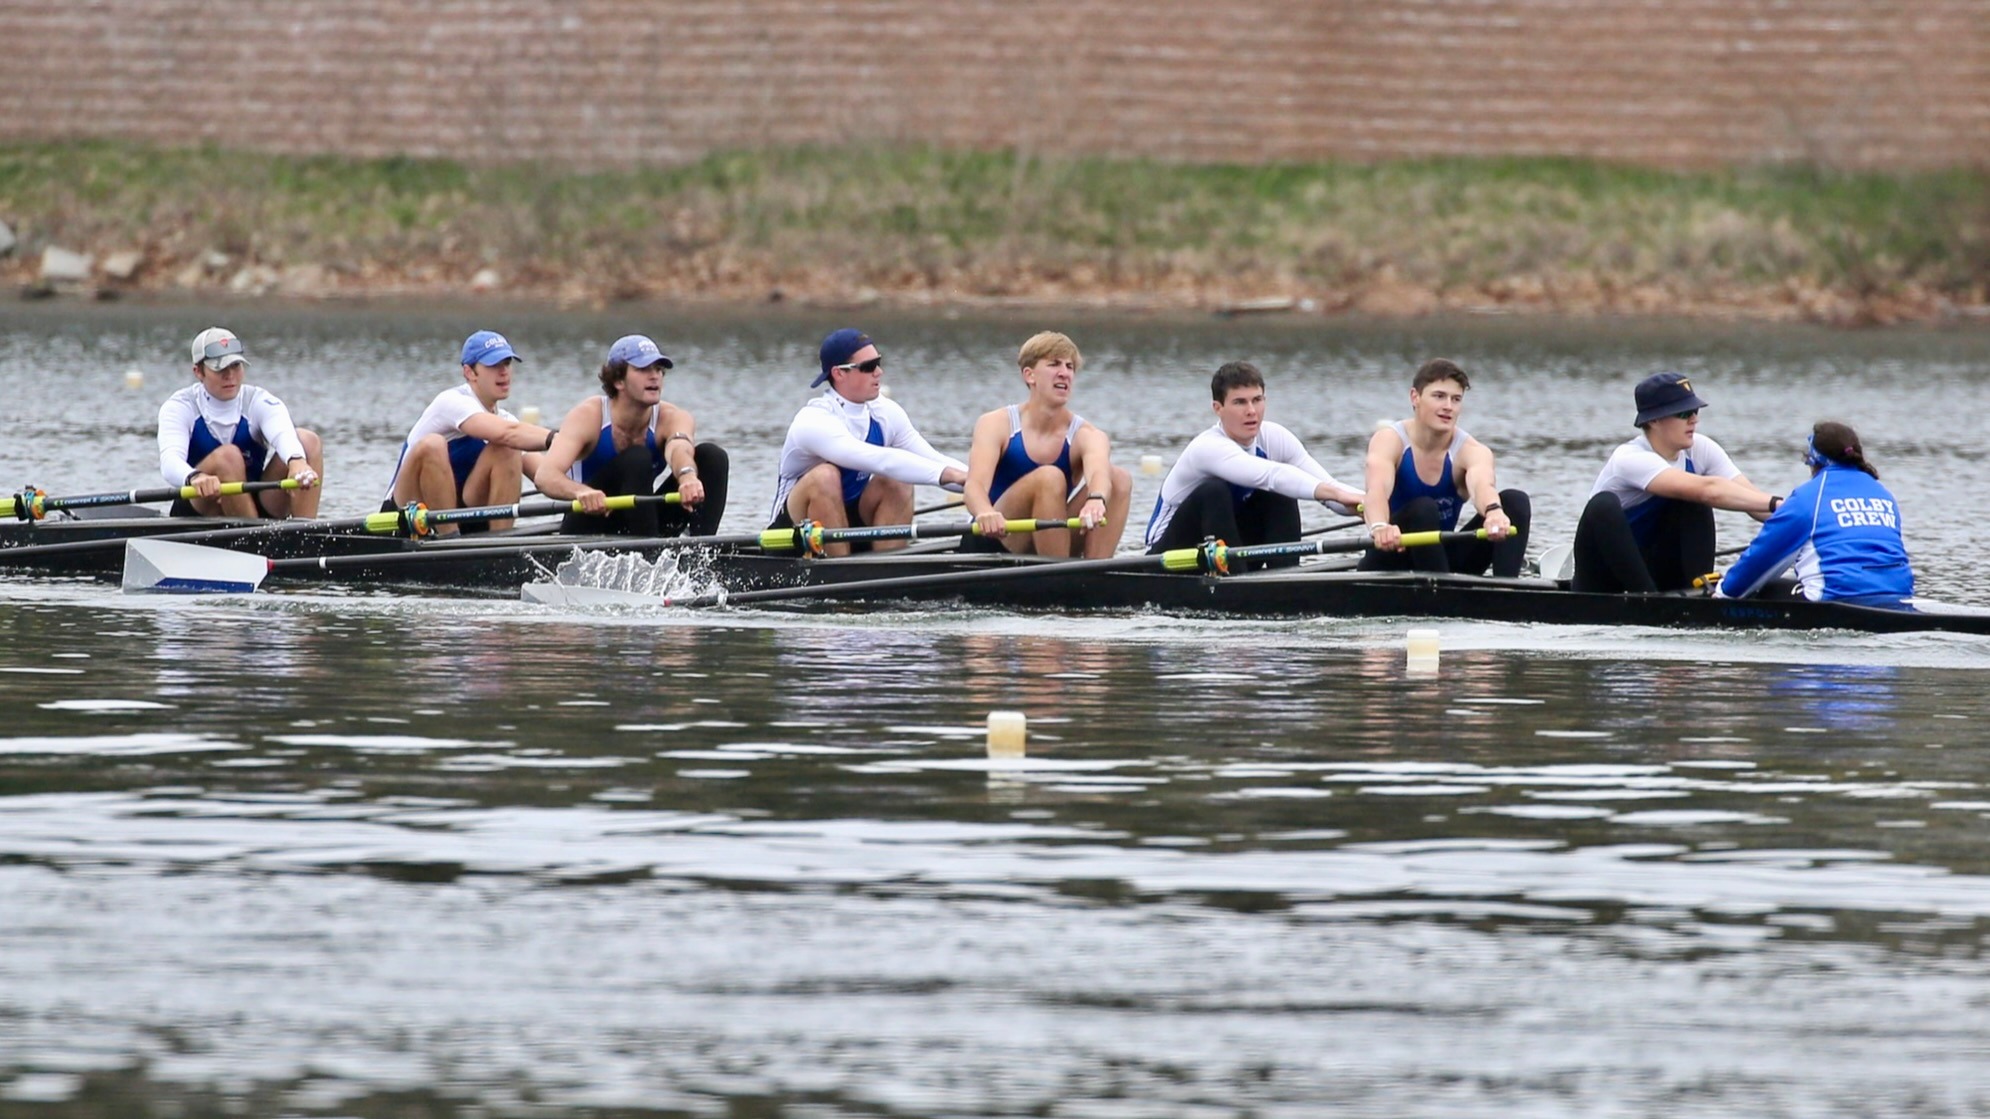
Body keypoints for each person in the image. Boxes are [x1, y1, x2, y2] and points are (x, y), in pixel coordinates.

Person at [769, 328, 968, 557]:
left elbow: (933, 461)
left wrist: (981, 483)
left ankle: (889, 568)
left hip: (849, 523)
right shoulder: (813, 421)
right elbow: (880, 460)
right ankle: (841, 573)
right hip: (791, 537)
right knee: (825, 476)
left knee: (898, 481)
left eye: (879, 363)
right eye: (868, 367)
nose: (879, 372)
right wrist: (953, 476)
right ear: (839, 373)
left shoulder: (885, 412)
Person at [1573, 371, 1778, 593]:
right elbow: (1710, 491)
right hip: (1602, 576)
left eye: (1695, 411)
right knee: (1603, 505)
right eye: (1684, 413)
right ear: (1653, 419)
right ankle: (1646, 599)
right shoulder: (1629, 458)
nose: (1694, 419)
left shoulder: (1700, 448)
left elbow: (1753, 501)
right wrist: (1781, 505)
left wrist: (1805, 515)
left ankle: (1699, 590)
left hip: (1657, 567)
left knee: (1694, 498)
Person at [1145, 361, 1364, 566]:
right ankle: (1240, 585)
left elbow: (1329, 487)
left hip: (1227, 549)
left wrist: (1373, 506)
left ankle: (1286, 579)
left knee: (1280, 494)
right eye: (1239, 402)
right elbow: (1273, 476)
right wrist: (1336, 494)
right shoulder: (1208, 448)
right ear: (1217, 408)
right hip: (1168, 558)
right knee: (1215, 492)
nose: (1251, 411)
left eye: (1257, 400)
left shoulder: (1275, 437)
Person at [531, 334, 728, 537]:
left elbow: (679, 449)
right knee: (637, 458)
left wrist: (687, 477)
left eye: (659, 369)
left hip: (643, 519)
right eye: (643, 369)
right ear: (618, 380)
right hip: (591, 522)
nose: (655, 376)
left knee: (712, 456)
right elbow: (546, 477)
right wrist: (581, 492)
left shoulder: (673, 417)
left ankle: (703, 554)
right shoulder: (588, 416)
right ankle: (649, 554)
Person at [961, 331, 1130, 558]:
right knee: (1049, 477)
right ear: (1030, 375)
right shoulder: (996, 424)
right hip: (993, 538)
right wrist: (984, 512)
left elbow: (1099, 472)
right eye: (1054, 364)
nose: (1065, 373)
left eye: (1070, 367)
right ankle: (1059, 576)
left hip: (1047, 539)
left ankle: (1095, 573)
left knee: (1119, 478)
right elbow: (974, 487)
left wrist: (1096, 499)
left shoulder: (1088, 434)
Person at [1358, 358, 1528, 577]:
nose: (1448, 406)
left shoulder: (1472, 450)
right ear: (1415, 397)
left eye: (1456, 399)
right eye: (1439, 396)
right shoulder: (1389, 441)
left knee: (1515, 501)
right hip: (1391, 557)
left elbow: (1482, 486)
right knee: (1424, 508)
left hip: (1440, 562)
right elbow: (1376, 491)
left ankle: (1507, 594)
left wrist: (1494, 512)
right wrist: (1380, 526)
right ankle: (1443, 596)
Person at [1717, 421, 1914, 607]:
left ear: (1812, 460)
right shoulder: (1883, 494)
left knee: (1768, 587)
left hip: (1837, 595)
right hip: (1898, 592)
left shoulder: (1808, 496)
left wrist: (1723, 592)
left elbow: (1762, 557)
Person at [383, 329, 554, 533]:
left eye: (507, 364)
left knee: (508, 448)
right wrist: (560, 439)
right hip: (407, 515)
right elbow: (508, 433)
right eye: (493, 365)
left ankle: (500, 545)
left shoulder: (506, 420)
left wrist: (586, 491)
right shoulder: (451, 402)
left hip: (463, 512)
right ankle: (450, 540)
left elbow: (546, 477)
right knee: (433, 445)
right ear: (469, 372)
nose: (504, 372)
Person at [158, 327, 322, 519]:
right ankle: (255, 540)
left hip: (255, 505)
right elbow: (170, 462)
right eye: (220, 368)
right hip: (199, 508)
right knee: (228, 457)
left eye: (235, 366)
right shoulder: (180, 406)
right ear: (198, 372)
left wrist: (297, 462)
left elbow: (283, 434)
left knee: (307, 441)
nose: (230, 376)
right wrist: (195, 477)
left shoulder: (259, 401)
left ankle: (306, 536)